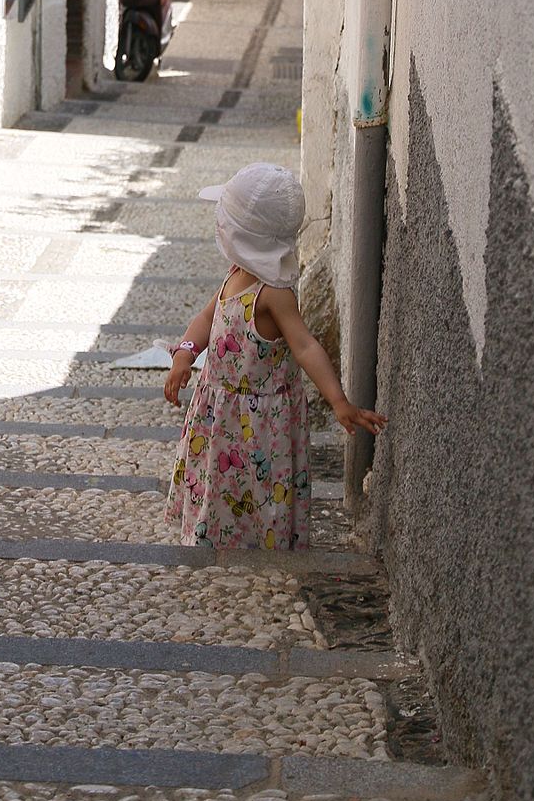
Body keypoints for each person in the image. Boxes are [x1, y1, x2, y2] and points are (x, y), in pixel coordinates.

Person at [163, 162, 386, 551]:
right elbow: (206, 317)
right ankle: (214, 535)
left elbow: (305, 346)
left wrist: (338, 401)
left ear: (244, 236)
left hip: (260, 421)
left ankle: (258, 547)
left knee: (258, 484)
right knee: (221, 476)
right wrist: (185, 353)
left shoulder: (273, 293)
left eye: (225, 221)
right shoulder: (236, 271)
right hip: (220, 408)